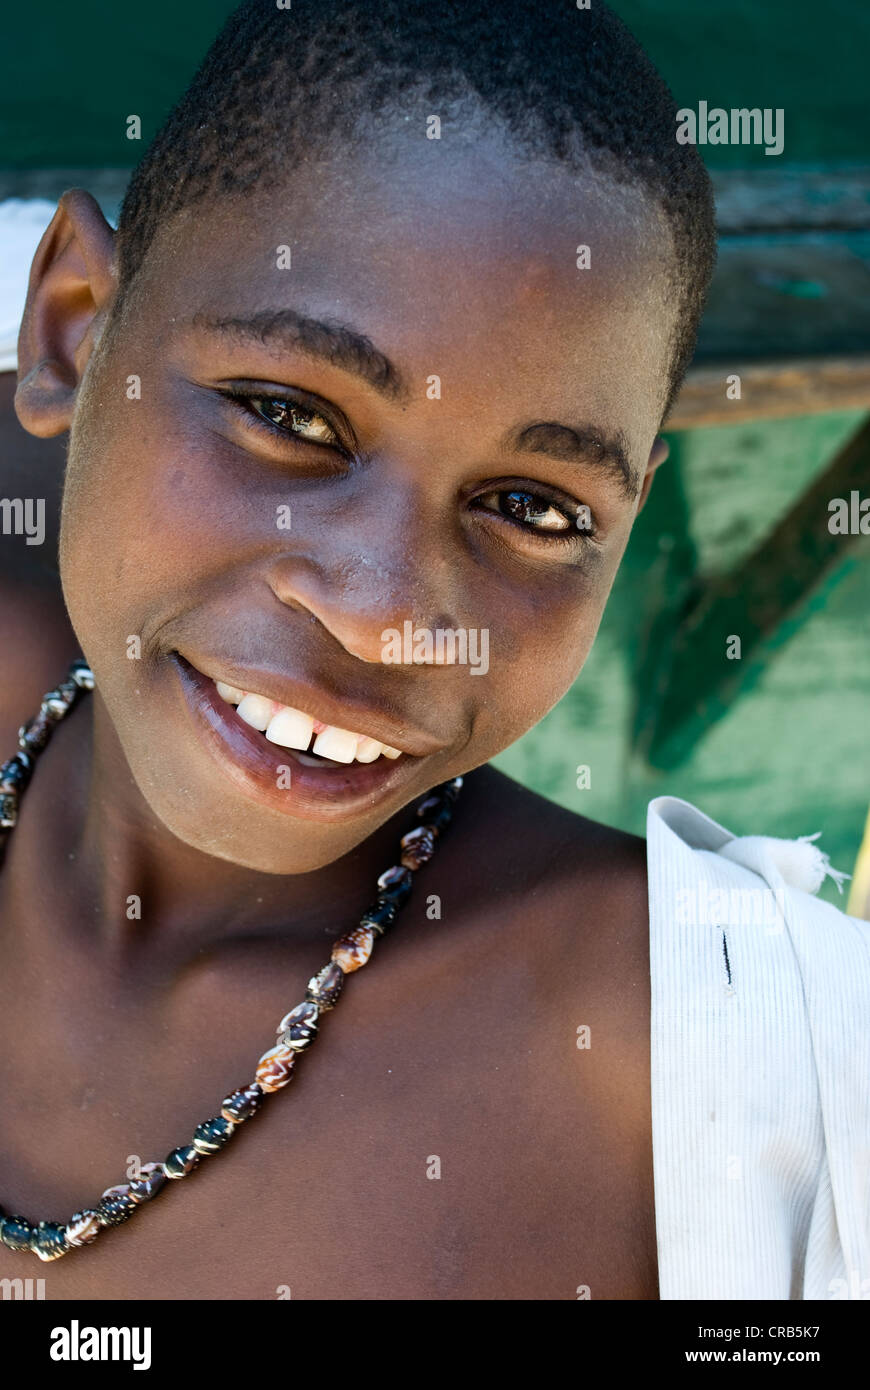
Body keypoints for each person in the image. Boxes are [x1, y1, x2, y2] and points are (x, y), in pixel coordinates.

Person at [0, 0, 866, 1300]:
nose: (383, 611)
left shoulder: (743, 1087)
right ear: (72, 325)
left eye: (531, 506)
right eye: (287, 414)